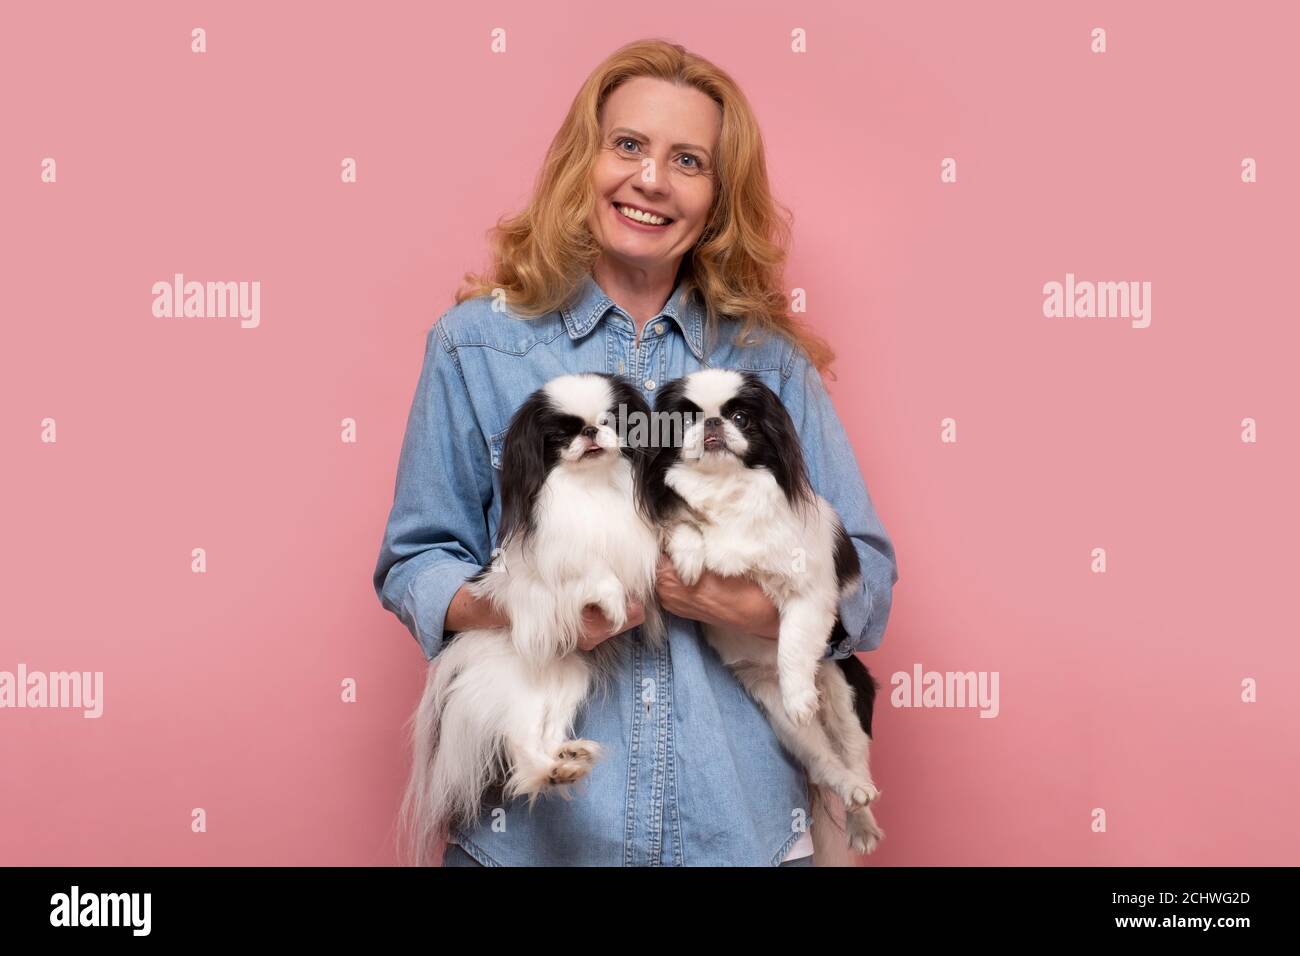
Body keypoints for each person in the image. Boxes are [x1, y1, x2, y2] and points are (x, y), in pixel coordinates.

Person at [372, 38, 898, 866]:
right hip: (536, 841)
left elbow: (867, 576)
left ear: (717, 199)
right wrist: (533, 607)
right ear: (585, 161)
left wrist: (742, 605)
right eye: (628, 146)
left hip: (740, 836)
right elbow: (415, 560)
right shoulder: (477, 346)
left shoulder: (769, 364)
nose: (651, 180)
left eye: (687, 160)